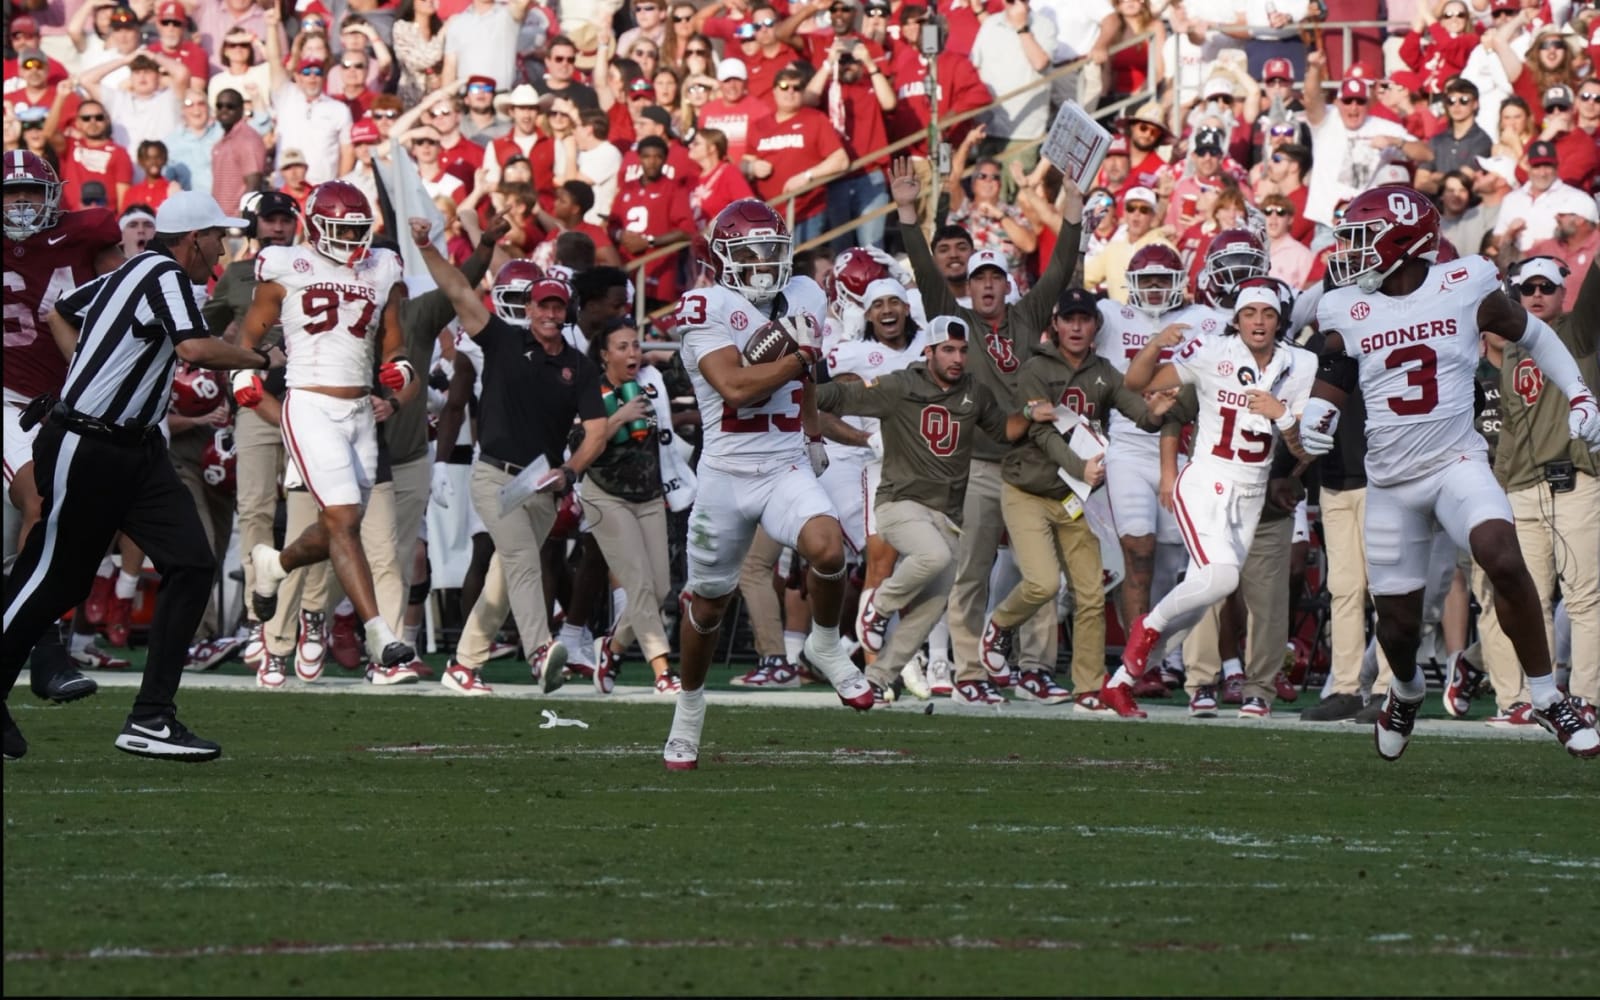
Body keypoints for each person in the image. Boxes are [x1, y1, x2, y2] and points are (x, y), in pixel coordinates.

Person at [1300, 185, 1600, 760]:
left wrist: (1579, 392)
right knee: (1398, 627)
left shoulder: (1464, 285)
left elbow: (1534, 336)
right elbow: (1335, 364)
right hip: (1389, 482)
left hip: (1457, 461)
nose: (1351, 253)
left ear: (1405, 241)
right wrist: (1318, 411)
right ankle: (1408, 690)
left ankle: (1545, 695)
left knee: (1502, 555)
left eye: (1364, 239)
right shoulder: (1346, 305)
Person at [3, 191, 285, 762]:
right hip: (92, 441)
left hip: (134, 447)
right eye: (218, 237)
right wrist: (263, 360)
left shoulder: (131, 271)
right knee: (52, 578)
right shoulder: (161, 271)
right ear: (193, 238)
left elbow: (63, 308)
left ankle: (152, 716)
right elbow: (193, 347)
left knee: (191, 562)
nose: (222, 249)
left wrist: (91, 365)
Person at [663, 198, 876, 770]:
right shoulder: (706, 305)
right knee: (707, 605)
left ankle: (825, 643)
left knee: (828, 546)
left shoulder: (806, 293)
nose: (764, 262)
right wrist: (796, 356)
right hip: (725, 476)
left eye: (772, 251)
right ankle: (688, 709)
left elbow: (807, 376)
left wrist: (810, 430)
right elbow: (734, 385)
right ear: (723, 258)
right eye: (750, 252)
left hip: (784, 464)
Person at [232, 180, 419, 678]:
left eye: (359, 229)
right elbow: (250, 336)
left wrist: (400, 371)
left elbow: (394, 344)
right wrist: (244, 374)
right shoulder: (284, 265)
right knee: (341, 517)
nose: (352, 239)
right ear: (316, 226)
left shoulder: (382, 268)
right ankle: (379, 631)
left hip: (359, 411)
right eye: (341, 228)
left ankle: (275, 564)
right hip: (309, 402)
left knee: (344, 523)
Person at [1111, 280, 1317, 718]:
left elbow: (1304, 450)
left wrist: (1281, 416)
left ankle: (1120, 683)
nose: (1258, 321)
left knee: (1197, 599)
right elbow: (1136, 383)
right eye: (1249, 313)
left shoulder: (1301, 364)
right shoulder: (1210, 351)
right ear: (1236, 319)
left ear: (1280, 319)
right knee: (1221, 580)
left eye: (1267, 313)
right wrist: (1154, 345)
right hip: (1204, 483)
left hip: (1251, 494)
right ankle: (1144, 630)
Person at [825, 315, 1050, 704]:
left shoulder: (974, 393)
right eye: (948, 349)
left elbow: (1003, 431)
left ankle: (877, 679)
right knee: (934, 556)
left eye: (963, 350)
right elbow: (838, 398)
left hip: (948, 513)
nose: (957, 358)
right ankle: (878, 608)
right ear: (928, 352)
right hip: (900, 503)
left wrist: (1029, 415)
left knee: (932, 604)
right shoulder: (899, 385)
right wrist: (796, 392)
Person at [416, 247, 609, 692]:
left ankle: (462, 666)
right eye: (543, 304)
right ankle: (541, 651)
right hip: (495, 474)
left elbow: (596, 431)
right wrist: (427, 248)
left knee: (503, 581)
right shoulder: (503, 338)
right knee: (522, 561)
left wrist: (572, 470)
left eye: (558, 305)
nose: (550, 312)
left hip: (542, 480)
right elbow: (458, 291)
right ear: (529, 308)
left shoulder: (578, 366)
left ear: (567, 312)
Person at [982, 287, 1168, 707]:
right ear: (1057, 324)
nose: (1077, 326)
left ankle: (1087, 685)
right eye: (1070, 319)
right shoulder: (1035, 368)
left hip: (1075, 496)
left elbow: (1139, 415)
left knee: (1089, 592)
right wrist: (1079, 467)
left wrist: (1159, 410)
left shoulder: (1104, 371)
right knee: (1043, 582)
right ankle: (999, 624)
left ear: (1095, 325)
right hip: (1028, 488)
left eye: (1084, 319)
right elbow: (1041, 430)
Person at [2, 149, 124, 704]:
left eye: (32, 192)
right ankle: (49, 653)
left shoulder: (85, 234)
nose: (23, 204)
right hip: (7, 400)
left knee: (53, 530)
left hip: (67, 403)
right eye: (12, 194)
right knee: (41, 502)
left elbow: (120, 283)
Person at [1470, 256, 1599, 723]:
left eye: (1547, 286)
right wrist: (1496, 491)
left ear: (1565, 292)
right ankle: (1534, 699)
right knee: (1528, 597)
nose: (1538, 295)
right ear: (1515, 296)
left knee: (1584, 597)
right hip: (1521, 487)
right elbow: (1506, 433)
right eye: (1528, 289)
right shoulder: (1514, 351)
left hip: (1574, 482)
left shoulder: (1577, 333)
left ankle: (1585, 698)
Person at [585, 317, 684, 695]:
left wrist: (664, 356)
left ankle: (612, 647)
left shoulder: (650, 381)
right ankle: (662, 670)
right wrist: (617, 419)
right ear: (604, 353)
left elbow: (692, 376)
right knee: (639, 584)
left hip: (648, 496)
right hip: (606, 495)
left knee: (659, 589)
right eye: (623, 346)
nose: (632, 353)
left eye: (636, 345)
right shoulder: (590, 390)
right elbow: (580, 443)